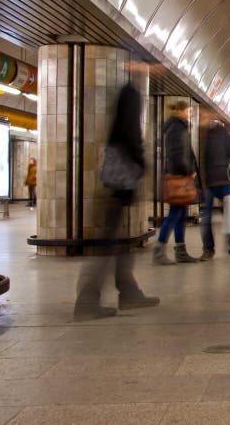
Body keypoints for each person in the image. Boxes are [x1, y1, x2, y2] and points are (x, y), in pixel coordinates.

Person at [74, 82, 159, 321]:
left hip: (117, 177)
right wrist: (141, 164)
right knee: (108, 242)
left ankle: (129, 291)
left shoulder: (129, 92)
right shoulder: (131, 94)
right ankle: (87, 300)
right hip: (120, 179)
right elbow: (131, 135)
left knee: (118, 240)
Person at [154, 100, 200, 264]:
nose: (190, 113)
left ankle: (181, 251)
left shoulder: (180, 127)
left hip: (180, 174)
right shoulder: (176, 128)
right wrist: (189, 171)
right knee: (175, 214)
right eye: (188, 110)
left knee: (181, 214)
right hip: (178, 176)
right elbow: (177, 154)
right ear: (179, 110)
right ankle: (159, 252)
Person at [199, 110, 230, 261]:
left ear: (211, 117)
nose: (202, 119)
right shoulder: (201, 134)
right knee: (206, 219)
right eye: (201, 117)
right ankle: (208, 250)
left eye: (204, 116)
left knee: (229, 216)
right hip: (208, 183)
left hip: (223, 180)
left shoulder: (221, 132)